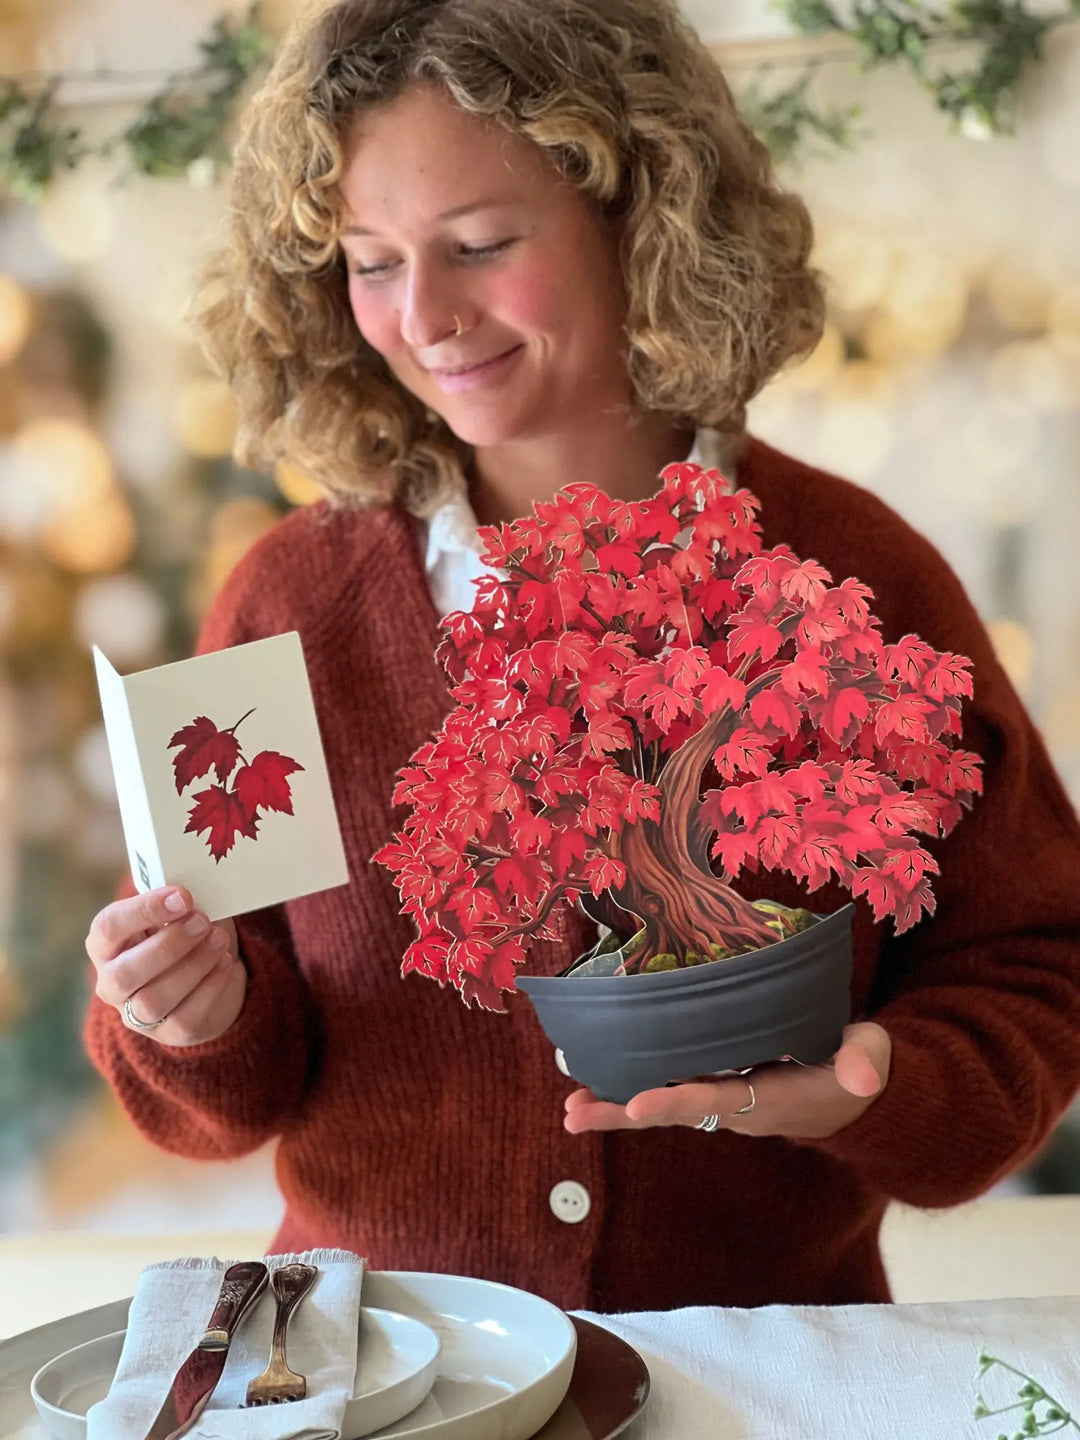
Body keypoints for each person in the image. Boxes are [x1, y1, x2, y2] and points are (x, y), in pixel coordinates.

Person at [83, 0, 1080, 1312]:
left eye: (482, 244)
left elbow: (1032, 967)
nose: (424, 316)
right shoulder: (293, 607)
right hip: (390, 1373)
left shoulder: (860, 576)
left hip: (757, 1365)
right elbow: (225, 1059)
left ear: (641, 213)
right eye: (370, 262)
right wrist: (185, 1017)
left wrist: (876, 1081)